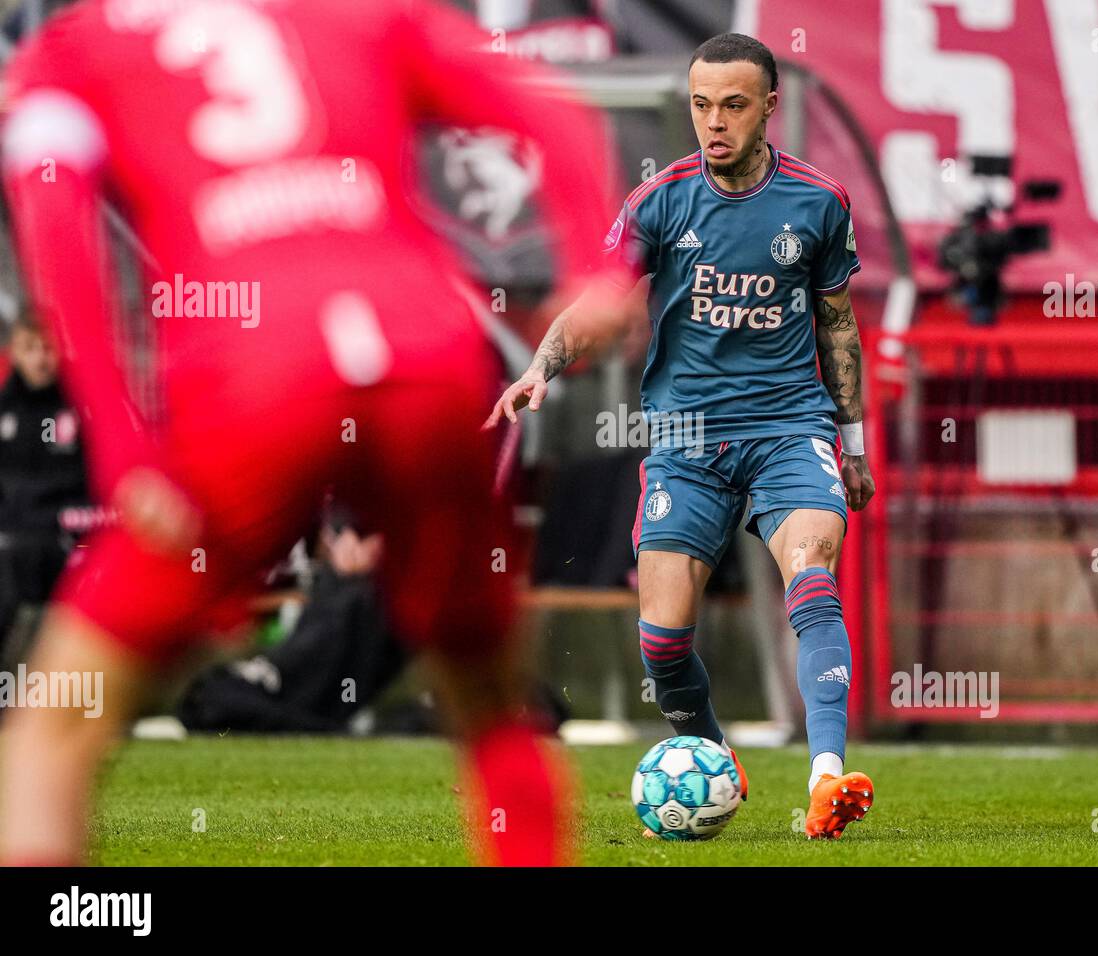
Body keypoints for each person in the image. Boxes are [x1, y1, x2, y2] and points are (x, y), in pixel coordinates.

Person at [0, 0, 627, 866]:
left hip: (253, 378)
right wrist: (600, 267)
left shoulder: (76, 46)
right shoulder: (362, 12)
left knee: (56, 724)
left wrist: (121, 443)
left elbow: (53, 223)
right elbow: (541, 103)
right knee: (490, 706)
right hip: (430, 358)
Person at [488, 33, 877, 840]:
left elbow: (838, 328)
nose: (715, 122)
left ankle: (828, 778)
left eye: (734, 104)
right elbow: (600, 304)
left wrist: (856, 445)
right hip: (686, 440)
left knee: (812, 574)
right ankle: (711, 766)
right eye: (702, 105)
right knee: (664, 642)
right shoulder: (659, 201)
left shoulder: (819, 202)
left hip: (787, 427)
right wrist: (540, 369)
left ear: (769, 106)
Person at [0, 309, 88, 669]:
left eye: (47, 348)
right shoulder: (4, 410)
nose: (40, 358)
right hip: (12, 540)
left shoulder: (85, 410)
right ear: (14, 352)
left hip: (69, 537)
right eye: (30, 348)